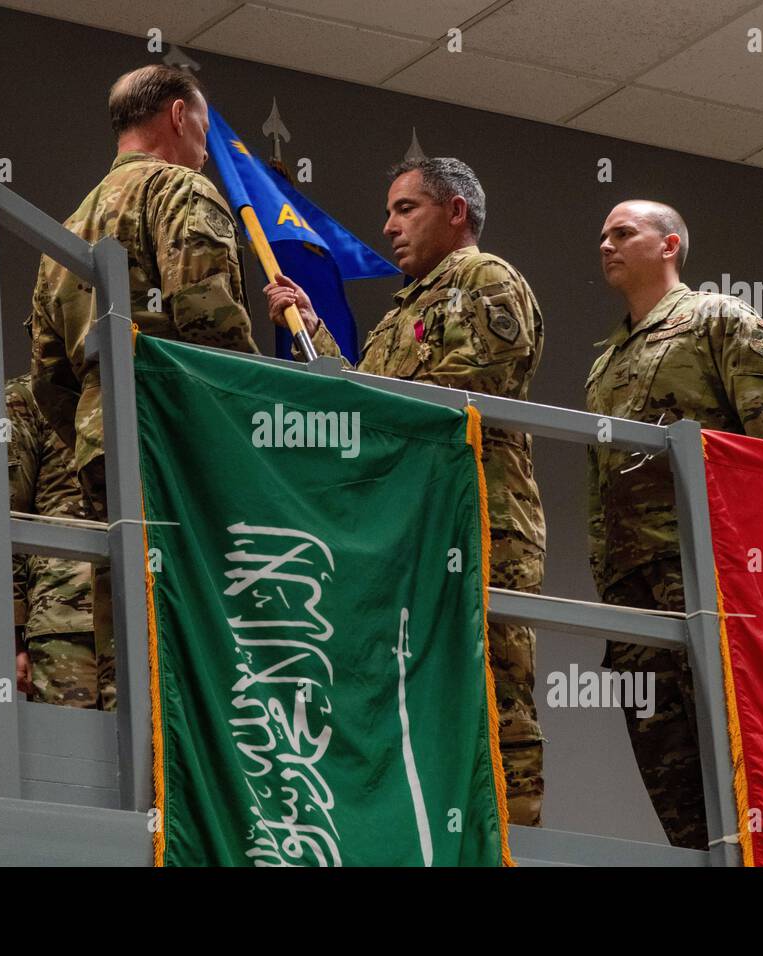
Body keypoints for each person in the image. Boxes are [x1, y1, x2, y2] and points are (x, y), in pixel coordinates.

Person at [265, 157, 547, 826]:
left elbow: (466, 390)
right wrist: (312, 328)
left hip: (477, 518)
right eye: (389, 211)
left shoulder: (484, 277)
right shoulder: (402, 312)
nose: (388, 226)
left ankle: (515, 826)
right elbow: (370, 404)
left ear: (456, 213)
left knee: (492, 680)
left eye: (406, 209)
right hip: (412, 524)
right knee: (417, 683)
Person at [27, 65, 259, 709]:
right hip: (182, 443)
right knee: (195, 633)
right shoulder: (180, 191)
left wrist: (99, 418)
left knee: (128, 629)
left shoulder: (65, 230)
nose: (206, 149)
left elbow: (50, 378)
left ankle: (139, 769)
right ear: (179, 116)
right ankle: (181, 775)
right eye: (204, 129)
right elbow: (211, 330)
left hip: (106, 448)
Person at [586, 199, 763, 849]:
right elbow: (599, 486)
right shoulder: (605, 363)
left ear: (670, 244)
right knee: (675, 784)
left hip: (712, 574)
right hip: (633, 587)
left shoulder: (720, 320)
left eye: (623, 232)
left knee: (746, 763)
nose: (606, 244)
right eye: (602, 236)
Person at [7, 370, 102, 708]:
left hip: (147, 608)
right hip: (64, 615)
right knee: (70, 752)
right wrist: (12, 633)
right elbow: (8, 516)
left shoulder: (142, 388)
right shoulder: (29, 396)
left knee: (153, 755)